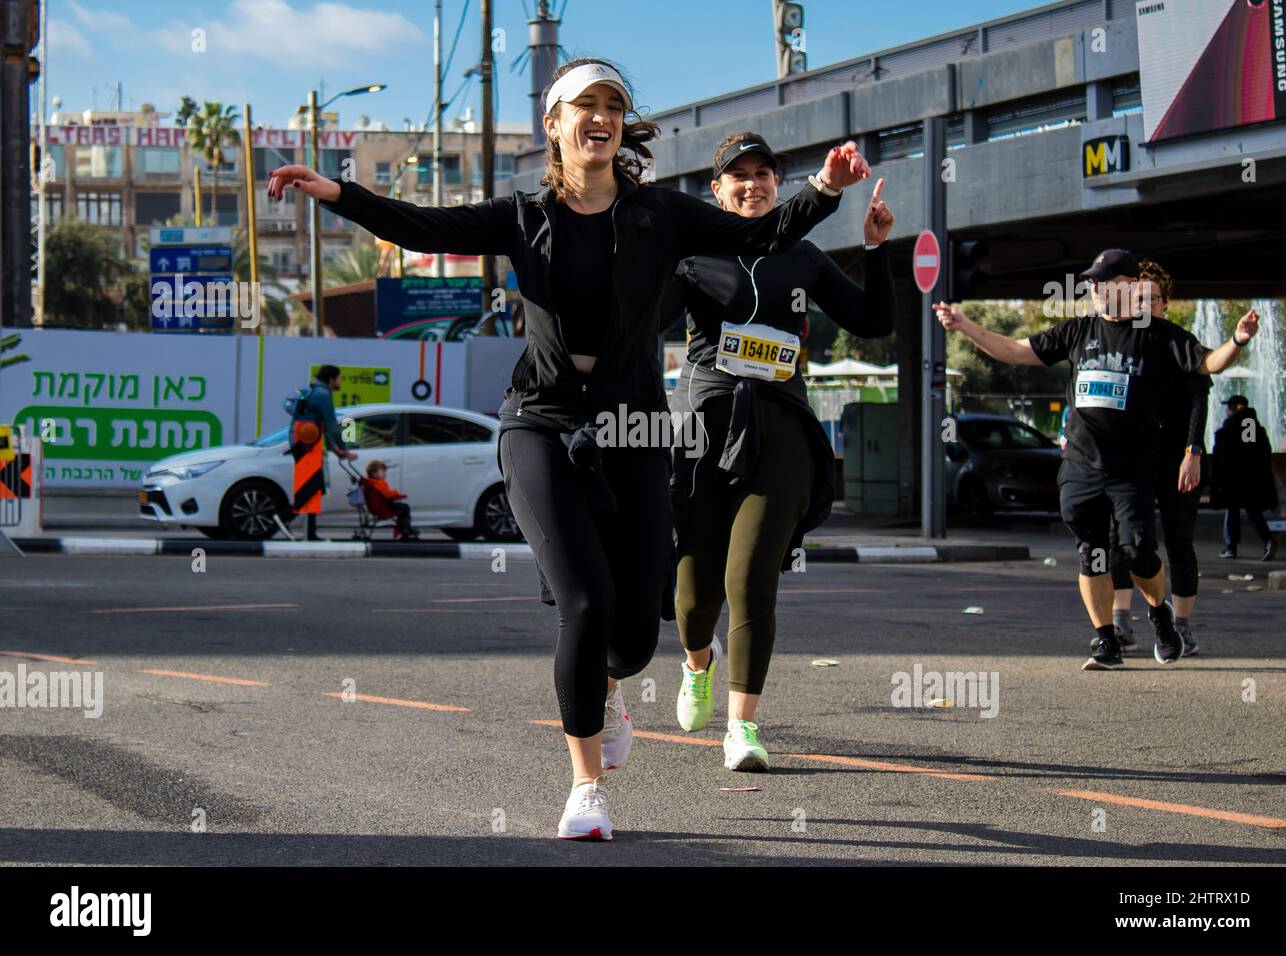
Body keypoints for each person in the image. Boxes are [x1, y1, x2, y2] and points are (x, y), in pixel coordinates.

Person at [268, 57, 871, 840]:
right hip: (540, 421)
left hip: (634, 425)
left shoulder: (663, 214)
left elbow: (761, 232)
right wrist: (339, 194)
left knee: (631, 634)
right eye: (584, 105)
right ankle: (587, 787)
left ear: (621, 126)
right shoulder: (522, 216)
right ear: (554, 124)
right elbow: (424, 224)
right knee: (583, 605)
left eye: (614, 106)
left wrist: (822, 190)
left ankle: (613, 687)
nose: (601, 116)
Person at [659, 131, 896, 771]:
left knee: (751, 576)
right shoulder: (692, 259)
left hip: (782, 424)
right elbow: (642, 325)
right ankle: (695, 663)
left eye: (765, 173)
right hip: (706, 426)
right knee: (694, 594)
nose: (753, 183)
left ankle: (742, 728)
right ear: (717, 191)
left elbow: (874, 322)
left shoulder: (804, 255)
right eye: (739, 175)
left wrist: (876, 250)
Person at [933, 249, 1259, 670]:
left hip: (1131, 469)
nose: (1095, 289)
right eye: (1092, 283)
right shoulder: (1078, 332)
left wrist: (1237, 340)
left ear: (1128, 285)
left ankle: (1161, 616)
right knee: (1093, 553)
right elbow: (1015, 350)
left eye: (1105, 282)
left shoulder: (1156, 334)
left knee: (1140, 552)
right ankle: (1105, 640)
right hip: (1081, 466)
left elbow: (1206, 363)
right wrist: (966, 326)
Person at [1108, 260, 1209, 656]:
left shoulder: (1180, 342)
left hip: (1177, 456)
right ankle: (1121, 623)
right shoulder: (1123, 342)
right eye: (1138, 298)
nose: (1145, 305)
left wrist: (1193, 452)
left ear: (1166, 303)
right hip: (1132, 457)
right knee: (1121, 539)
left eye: (1152, 299)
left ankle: (1181, 626)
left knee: (1179, 539)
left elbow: (1200, 401)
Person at [289, 364, 358, 541]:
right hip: (308, 446)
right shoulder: (323, 395)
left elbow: (323, 427)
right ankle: (283, 517)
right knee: (312, 486)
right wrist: (344, 448)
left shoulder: (311, 391)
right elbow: (332, 425)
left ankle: (309, 532)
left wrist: (335, 449)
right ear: (331, 379)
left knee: (314, 487)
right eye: (339, 378)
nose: (340, 381)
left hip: (303, 443)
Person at [1212, 395, 1279, 560]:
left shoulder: (1229, 428)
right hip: (1254, 479)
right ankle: (1268, 540)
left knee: (1232, 509)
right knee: (1253, 511)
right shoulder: (1254, 426)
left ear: (1234, 409)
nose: (1227, 411)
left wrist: (1218, 477)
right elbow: (1263, 451)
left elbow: (1224, 455)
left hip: (1235, 479)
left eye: (1229, 408)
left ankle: (1231, 547)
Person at [363, 460, 418, 541]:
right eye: (382, 472)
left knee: (401, 508)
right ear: (374, 473)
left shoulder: (369, 483)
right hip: (384, 509)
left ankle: (405, 529)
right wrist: (395, 492)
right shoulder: (379, 483)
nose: (385, 474)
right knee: (405, 508)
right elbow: (388, 495)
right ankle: (406, 530)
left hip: (376, 508)